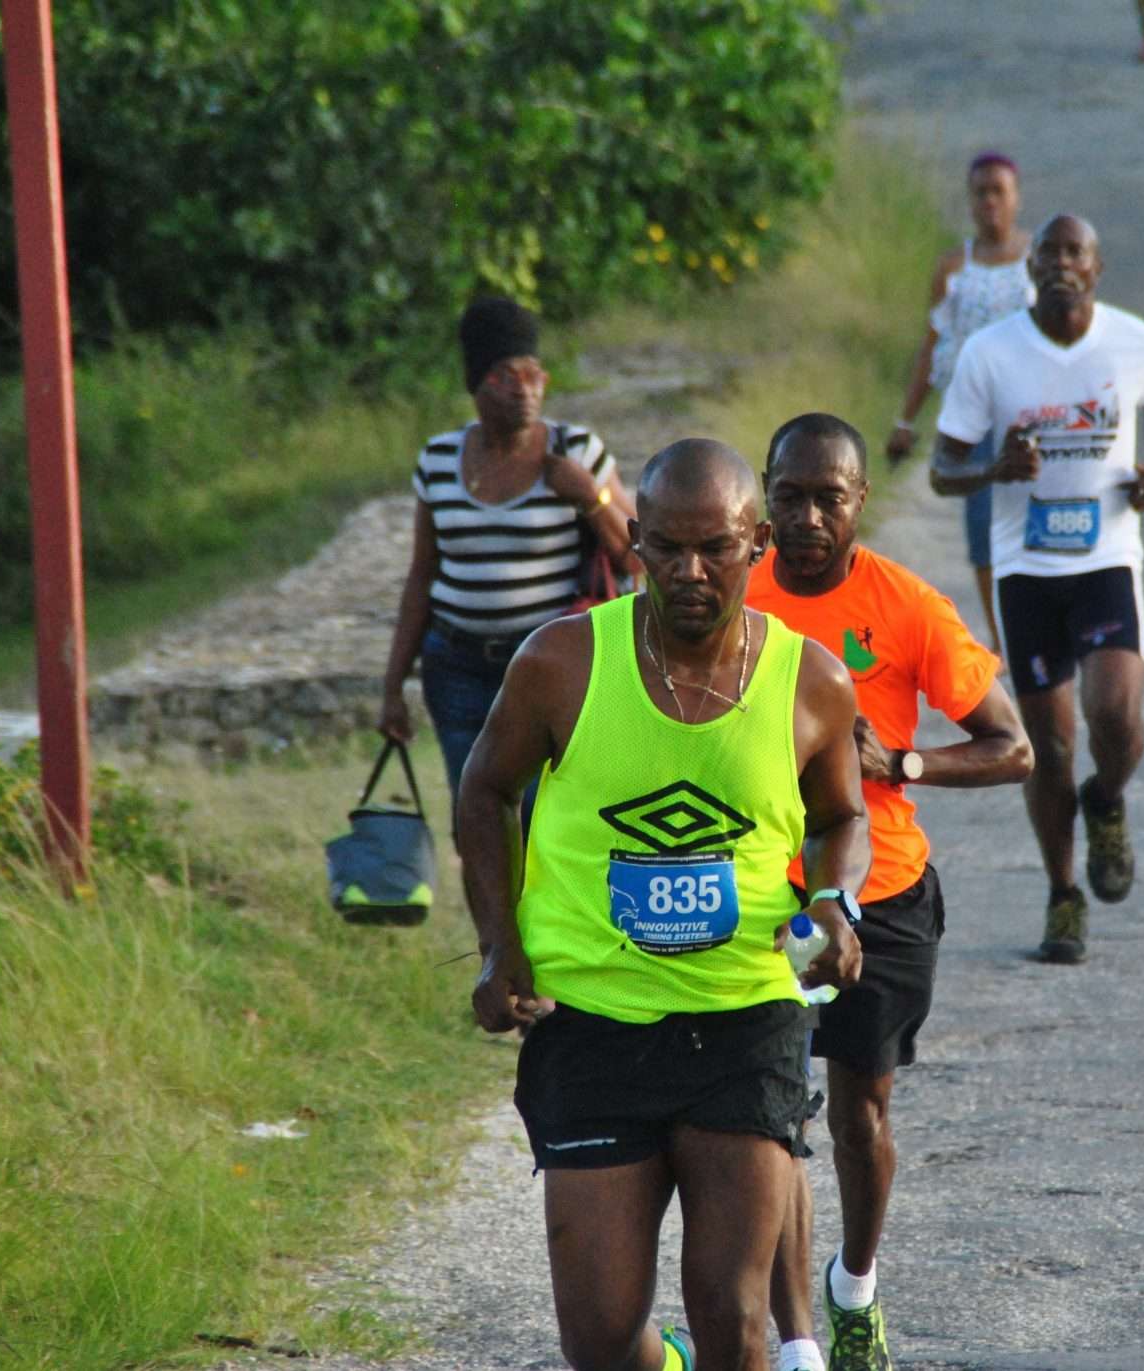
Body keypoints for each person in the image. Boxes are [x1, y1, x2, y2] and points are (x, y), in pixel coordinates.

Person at [456, 438, 870, 1371]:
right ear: (633, 541)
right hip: (594, 1018)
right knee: (602, 1338)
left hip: (746, 1011)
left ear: (757, 542)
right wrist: (498, 946)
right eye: (668, 549)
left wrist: (838, 904)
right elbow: (484, 793)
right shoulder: (562, 662)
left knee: (732, 1314)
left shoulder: (811, 680)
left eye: (715, 548)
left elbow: (842, 813)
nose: (690, 572)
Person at [748, 414, 1032, 1371]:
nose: (810, 516)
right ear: (765, 496)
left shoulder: (906, 607)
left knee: (855, 1118)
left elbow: (1013, 747)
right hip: (753, 895)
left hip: (885, 893)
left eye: (830, 496)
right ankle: (795, 1342)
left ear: (861, 499)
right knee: (770, 1119)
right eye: (790, 495)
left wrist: (902, 758)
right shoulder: (727, 598)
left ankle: (853, 1291)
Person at [930, 214, 1144, 966]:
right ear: (1031, 268)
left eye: (1077, 252)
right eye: (1050, 251)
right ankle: (1063, 892)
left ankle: (1108, 796)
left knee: (1115, 712)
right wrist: (992, 472)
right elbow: (944, 469)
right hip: (1026, 570)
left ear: (1098, 268)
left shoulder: (1141, 344)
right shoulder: (991, 354)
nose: (1062, 263)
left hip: (1106, 559)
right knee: (1049, 745)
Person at [378, 295, 635, 807]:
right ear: (476, 382)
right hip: (457, 668)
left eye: (534, 373)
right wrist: (392, 686)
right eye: (505, 375)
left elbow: (637, 556)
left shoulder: (576, 451)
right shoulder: (439, 460)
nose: (525, 389)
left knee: (540, 819)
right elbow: (421, 575)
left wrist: (591, 496)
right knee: (473, 817)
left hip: (545, 663)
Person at [884, 152, 1034, 660]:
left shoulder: (1037, 260)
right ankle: (1004, 635)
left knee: (1033, 522)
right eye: (980, 192)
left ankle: (1036, 623)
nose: (990, 202)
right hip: (973, 416)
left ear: (1016, 197)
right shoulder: (954, 267)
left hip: (1029, 414)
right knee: (983, 527)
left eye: (999, 191)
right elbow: (934, 343)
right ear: (970, 200)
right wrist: (906, 419)